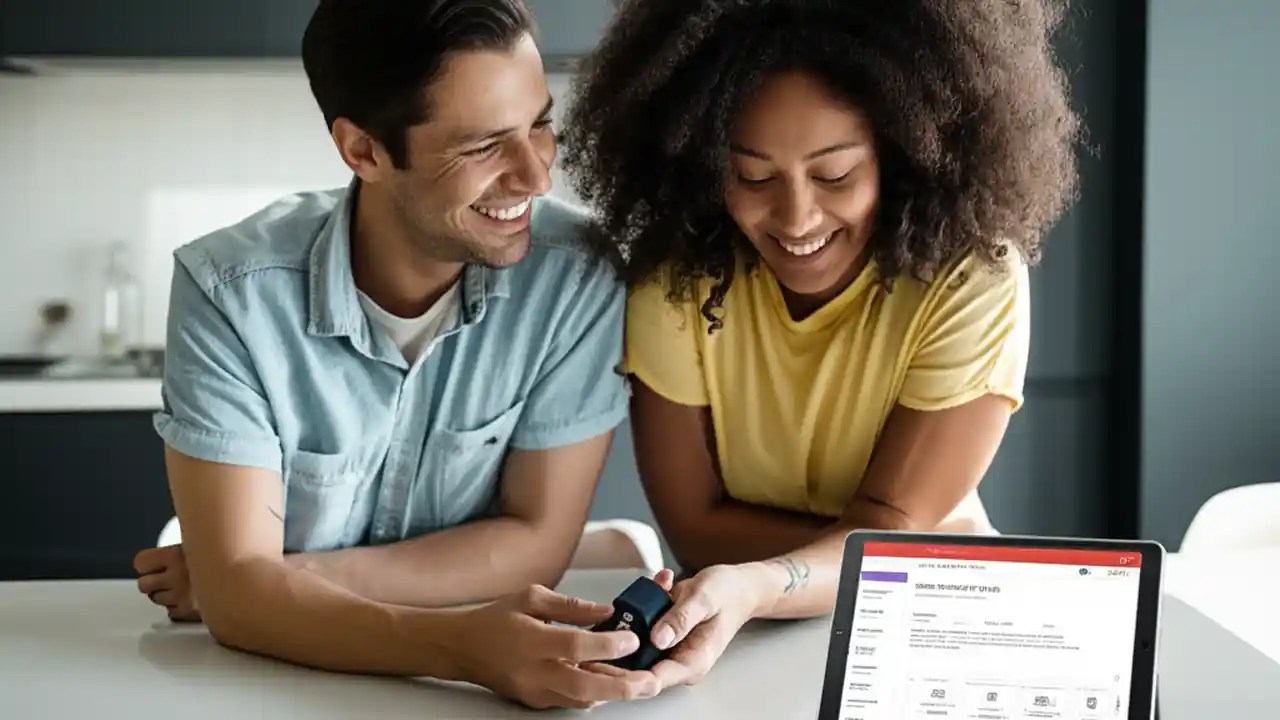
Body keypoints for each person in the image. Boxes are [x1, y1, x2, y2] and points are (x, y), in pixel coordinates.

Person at [131, 0, 659, 710]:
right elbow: (237, 604)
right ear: (364, 151)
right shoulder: (229, 293)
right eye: (483, 146)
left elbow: (538, 542)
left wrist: (267, 585)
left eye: (540, 125)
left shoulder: (576, 279)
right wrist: (461, 648)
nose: (536, 177)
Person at [561, 0, 1080, 691]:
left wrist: (774, 574)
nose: (796, 217)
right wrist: (887, 556)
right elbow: (693, 527)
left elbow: (891, 527)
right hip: (737, 633)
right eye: (753, 177)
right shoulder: (678, 278)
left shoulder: (971, 276)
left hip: (928, 628)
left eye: (834, 175)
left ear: (901, 154)